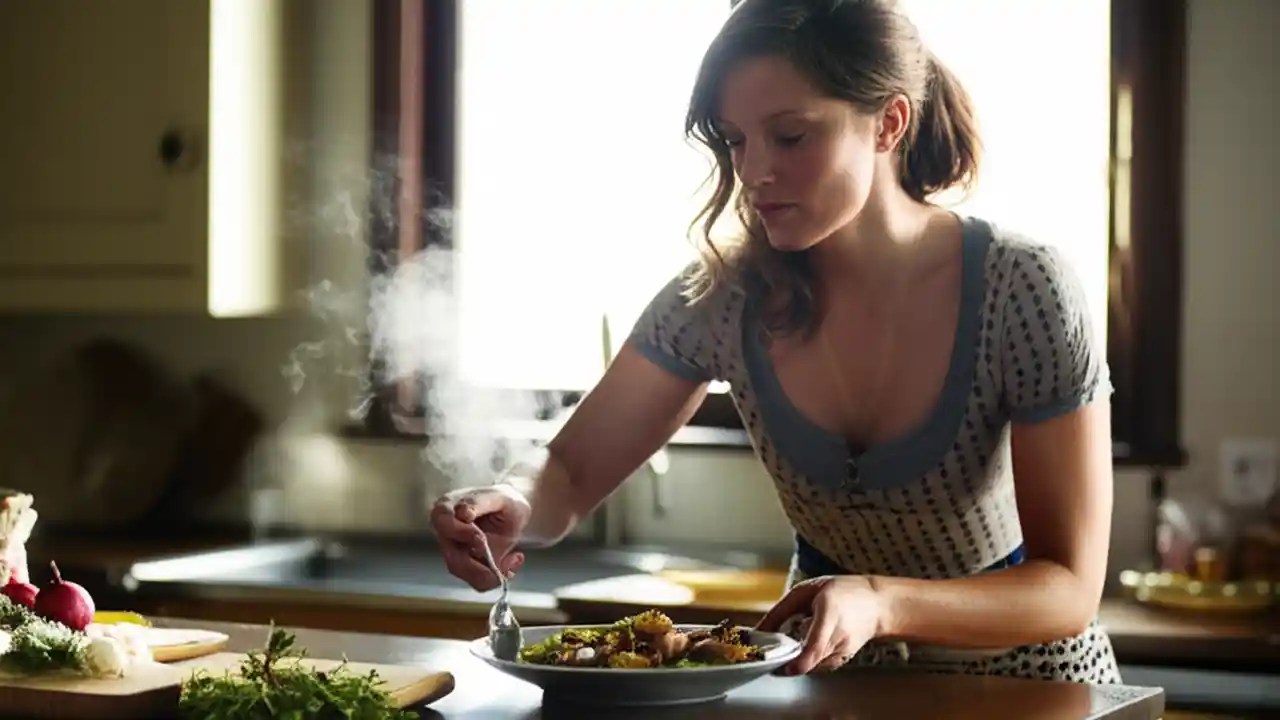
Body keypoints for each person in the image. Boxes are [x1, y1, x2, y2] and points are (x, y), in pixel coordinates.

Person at [431, 0, 1119, 683]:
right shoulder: (721, 297)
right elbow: (571, 472)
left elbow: (1067, 587)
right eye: (734, 140)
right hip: (829, 690)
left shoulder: (1023, 289)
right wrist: (514, 502)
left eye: (790, 137)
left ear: (890, 122)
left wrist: (882, 602)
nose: (753, 171)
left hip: (1030, 690)